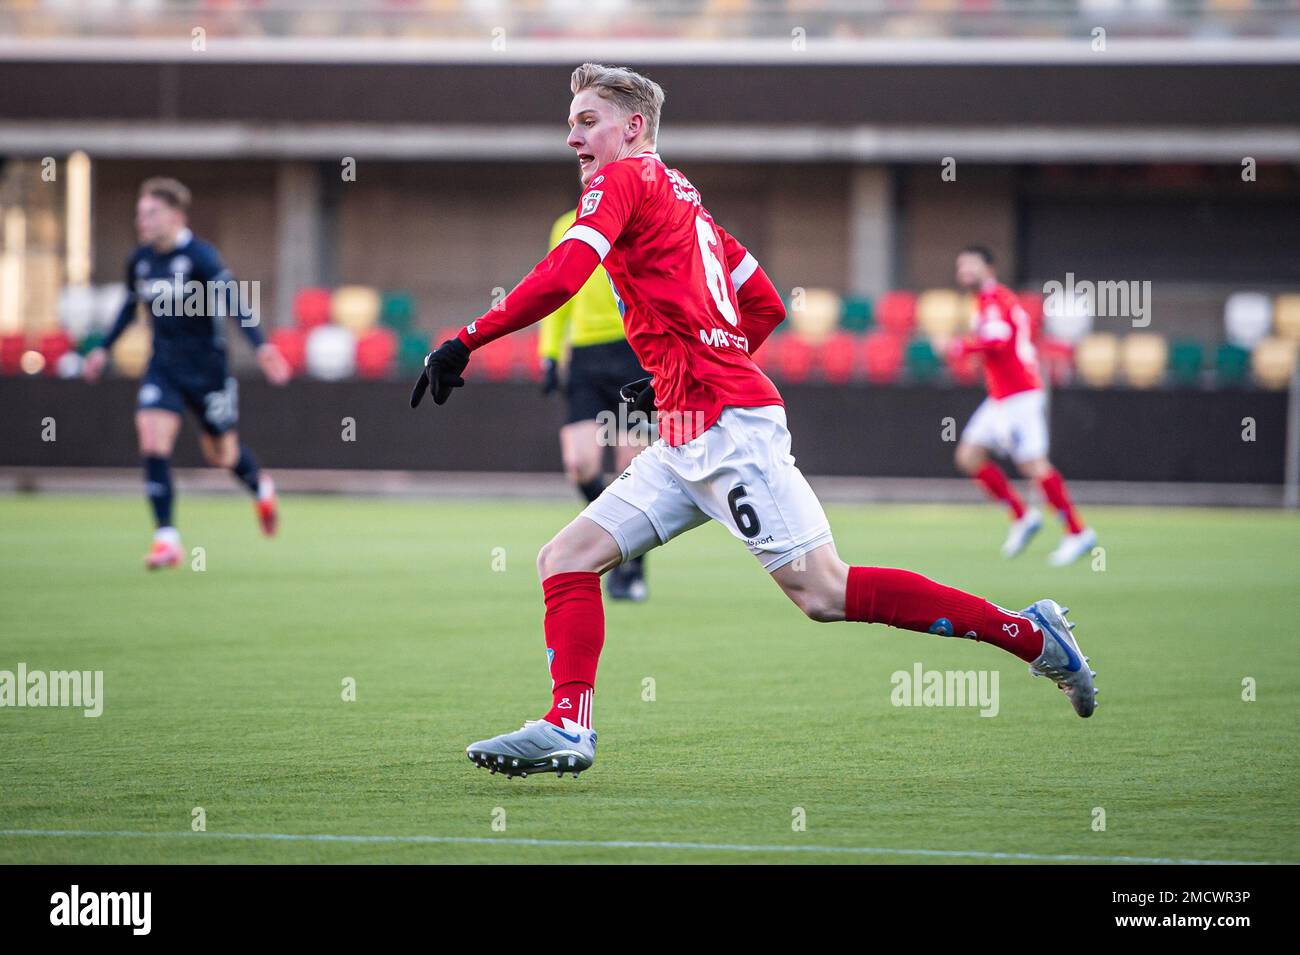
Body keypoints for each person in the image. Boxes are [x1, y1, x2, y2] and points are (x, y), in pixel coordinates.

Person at [410, 65, 1098, 779]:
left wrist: (467, 338)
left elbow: (563, 273)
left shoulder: (621, 183)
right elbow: (764, 302)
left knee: (824, 592)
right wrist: (686, 365)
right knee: (565, 558)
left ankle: (1031, 635)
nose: (572, 135)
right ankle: (568, 724)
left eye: (587, 120)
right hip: (686, 430)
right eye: (572, 121)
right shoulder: (687, 202)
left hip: (728, 427)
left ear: (633, 127)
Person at [84, 177, 290, 569]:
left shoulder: (201, 257)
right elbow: (130, 307)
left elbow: (233, 299)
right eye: (139, 214)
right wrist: (102, 350)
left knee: (222, 454)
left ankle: (261, 486)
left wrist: (261, 345)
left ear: (176, 216)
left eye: (151, 213)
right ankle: (167, 539)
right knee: (152, 437)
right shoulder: (141, 260)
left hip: (208, 372)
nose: (143, 222)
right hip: (163, 367)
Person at [950, 246, 1098, 566]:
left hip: (1019, 396)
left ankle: (1077, 531)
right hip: (1002, 397)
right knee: (969, 455)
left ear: (989, 268)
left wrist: (961, 345)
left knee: (1033, 465)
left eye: (971, 265)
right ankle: (1023, 516)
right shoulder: (987, 301)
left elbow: (998, 340)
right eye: (961, 266)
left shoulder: (994, 300)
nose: (964, 271)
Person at [538, 207, 650, 600]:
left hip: (633, 350)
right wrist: (550, 353)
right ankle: (620, 542)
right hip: (585, 356)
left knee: (630, 467)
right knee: (579, 463)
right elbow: (557, 291)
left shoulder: (637, 217)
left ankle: (632, 565)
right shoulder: (565, 224)